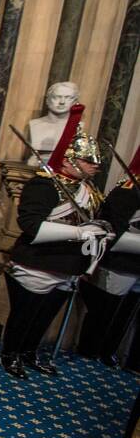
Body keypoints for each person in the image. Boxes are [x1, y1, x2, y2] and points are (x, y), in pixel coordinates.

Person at [1, 123, 108, 377]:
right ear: (70, 160)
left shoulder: (88, 190)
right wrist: (80, 233)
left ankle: (29, 352)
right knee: (24, 315)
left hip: (68, 265)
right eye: (88, 160)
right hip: (37, 261)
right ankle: (10, 353)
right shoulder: (44, 185)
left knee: (44, 317)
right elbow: (31, 226)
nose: (95, 165)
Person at [79, 154, 140, 367]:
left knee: (125, 313)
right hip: (120, 260)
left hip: (135, 265)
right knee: (105, 310)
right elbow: (114, 226)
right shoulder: (128, 190)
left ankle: (109, 349)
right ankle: (93, 350)